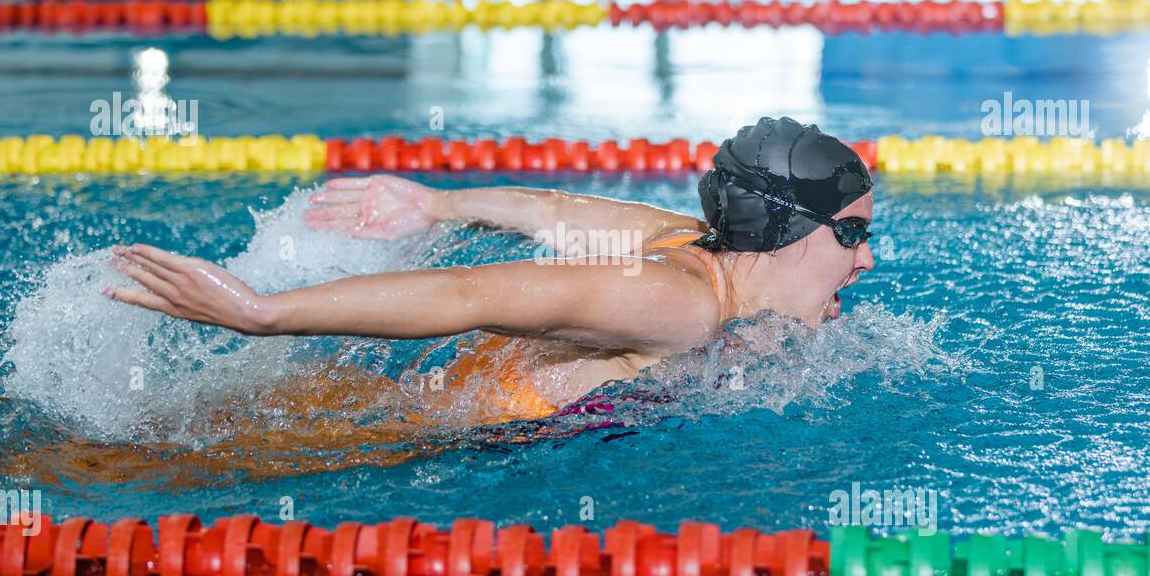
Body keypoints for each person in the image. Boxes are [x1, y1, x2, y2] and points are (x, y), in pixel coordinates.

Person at [106, 117, 876, 426]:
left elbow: (549, 210)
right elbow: (470, 294)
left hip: (408, 400)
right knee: (117, 461)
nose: (866, 259)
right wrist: (262, 312)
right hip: (399, 433)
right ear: (781, 232)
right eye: (850, 235)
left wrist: (437, 207)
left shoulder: (692, 242)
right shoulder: (675, 305)